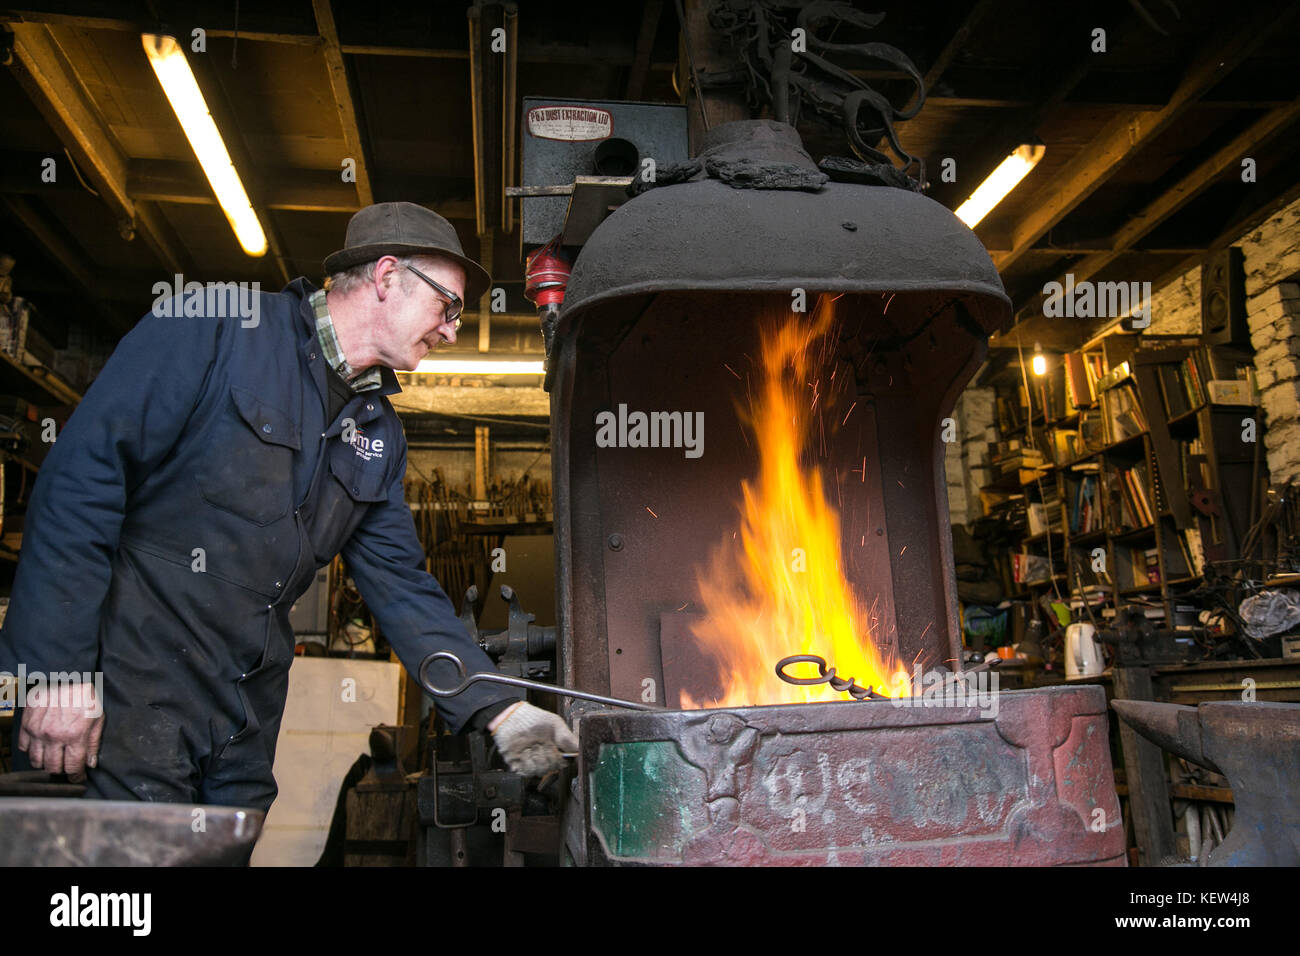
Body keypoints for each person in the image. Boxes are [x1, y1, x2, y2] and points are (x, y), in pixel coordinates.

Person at [1, 201, 576, 811]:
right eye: (449, 307)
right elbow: (82, 480)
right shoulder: (214, 330)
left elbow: (401, 587)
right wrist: (56, 672)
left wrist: (498, 708)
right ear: (386, 278)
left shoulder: (378, 432)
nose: (452, 330)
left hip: (243, 726)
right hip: (126, 702)